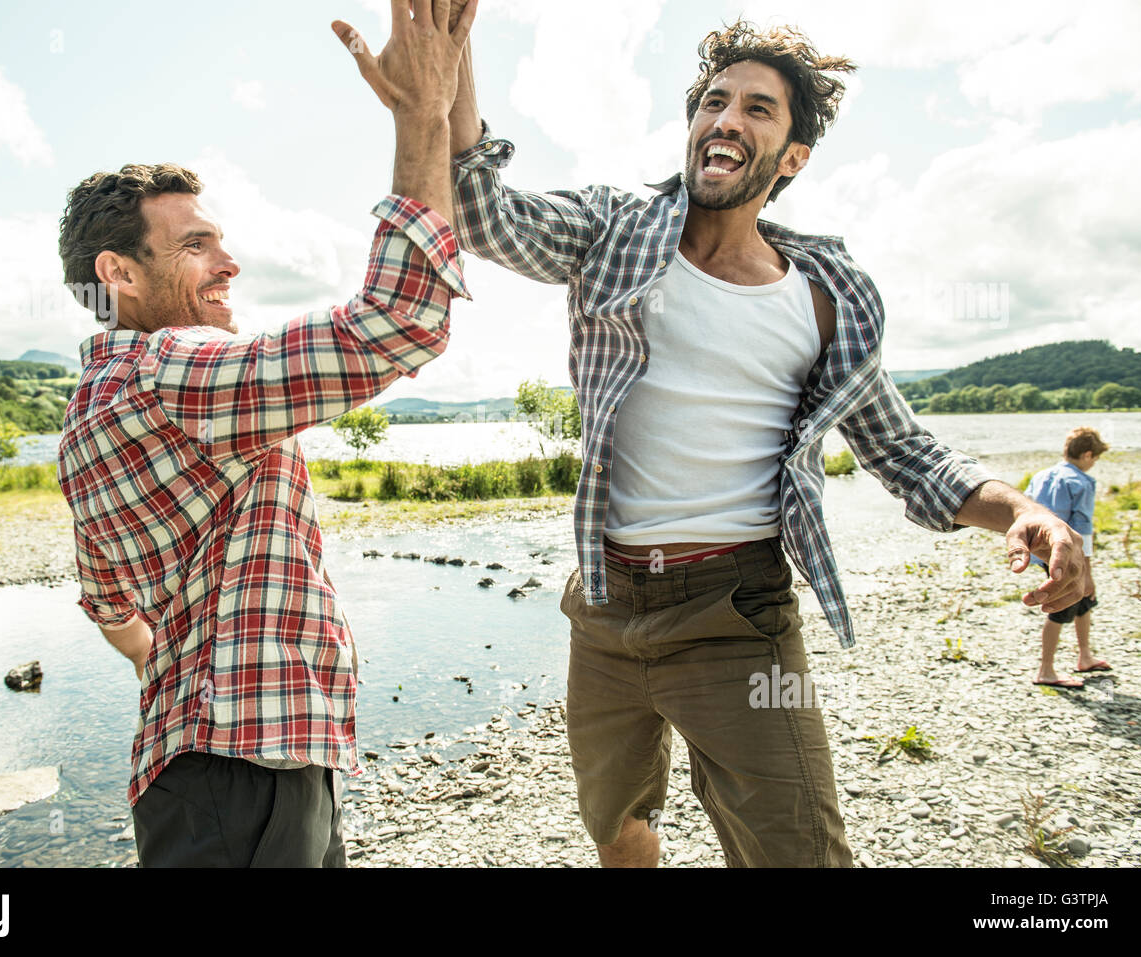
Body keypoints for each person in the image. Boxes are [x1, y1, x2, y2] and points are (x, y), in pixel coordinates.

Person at [443, 15, 1087, 867]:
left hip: (736, 616)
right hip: (601, 604)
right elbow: (484, 214)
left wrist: (1021, 508)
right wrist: (450, 48)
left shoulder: (824, 300)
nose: (727, 119)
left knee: (803, 853)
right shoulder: (615, 230)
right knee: (617, 823)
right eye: (714, 101)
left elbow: (902, 450)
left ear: (791, 157)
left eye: (757, 108)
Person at [56, 0, 477, 867]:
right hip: (246, 772)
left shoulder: (85, 417)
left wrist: (175, 668)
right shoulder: (174, 367)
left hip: (205, 767)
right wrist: (422, 114)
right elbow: (400, 320)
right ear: (118, 274)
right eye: (198, 243)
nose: (230, 261)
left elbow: (107, 603)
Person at [1028, 427, 1111, 688]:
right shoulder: (1081, 482)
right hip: (1065, 554)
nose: (1094, 463)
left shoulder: (1042, 475)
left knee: (1083, 601)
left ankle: (1085, 655)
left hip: (1041, 548)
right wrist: (1087, 573)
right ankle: (1046, 670)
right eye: (1095, 458)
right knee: (1063, 605)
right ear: (1087, 455)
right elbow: (1082, 530)